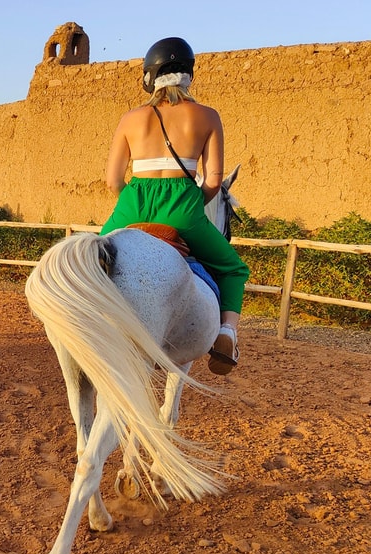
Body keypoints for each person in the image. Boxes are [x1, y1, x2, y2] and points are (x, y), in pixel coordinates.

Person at [100, 37, 250, 375]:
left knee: (88, 259)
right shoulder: (208, 117)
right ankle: (226, 334)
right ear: (188, 75)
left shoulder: (130, 119)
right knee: (233, 269)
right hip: (183, 207)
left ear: (150, 77)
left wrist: (133, 201)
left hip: (132, 204)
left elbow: (113, 181)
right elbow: (213, 180)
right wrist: (189, 205)